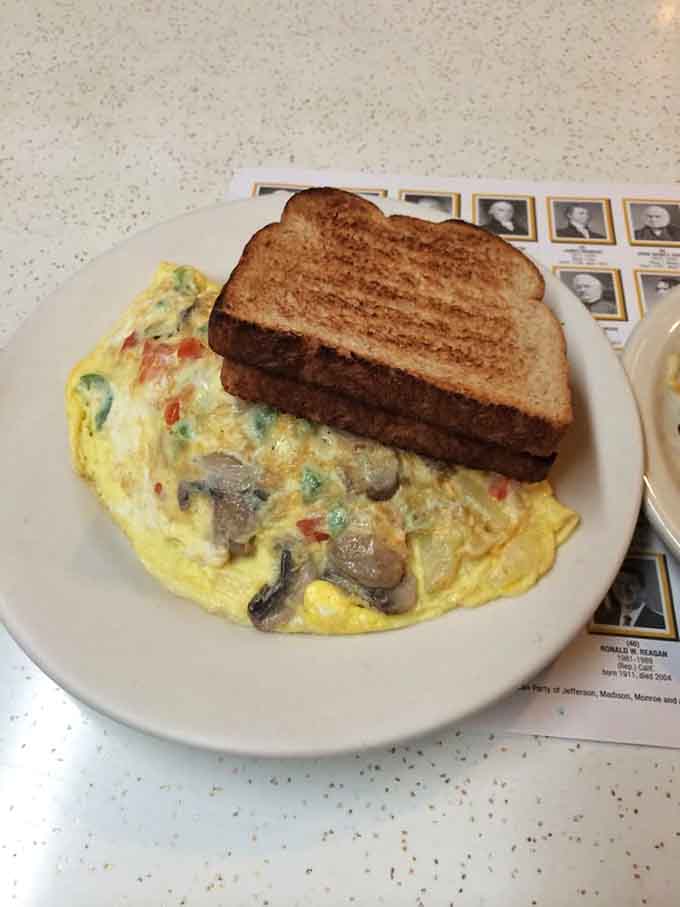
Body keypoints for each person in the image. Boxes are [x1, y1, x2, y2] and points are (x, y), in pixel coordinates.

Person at [593, 566, 666, 630]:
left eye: (631, 583)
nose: (623, 589)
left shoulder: (660, 622)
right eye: (619, 583)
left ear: (642, 588)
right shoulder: (603, 620)